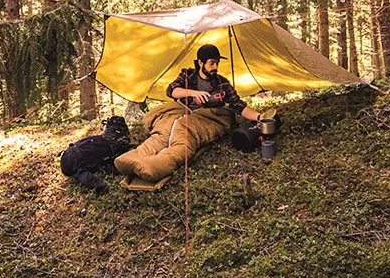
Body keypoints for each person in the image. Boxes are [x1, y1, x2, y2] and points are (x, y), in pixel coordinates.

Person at [114, 44, 262, 186]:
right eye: (211, 63)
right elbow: (171, 91)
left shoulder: (222, 84)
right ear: (200, 63)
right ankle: (133, 157)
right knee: (164, 131)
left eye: (216, 63)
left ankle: (155, 166)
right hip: (182, 111)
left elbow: (239, 107)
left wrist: (260, 118)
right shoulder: (188, 75)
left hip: (207, 118)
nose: (215, 67)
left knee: (183, 135)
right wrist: (192, 93)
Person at [60, 115, 132, 194]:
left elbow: (87, 178)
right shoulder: (73, 164)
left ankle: (117, 136)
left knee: (109, 145)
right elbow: (87, 177)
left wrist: (100, 187)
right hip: (88, 145)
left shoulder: (75, 167)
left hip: (90, 148)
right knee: (108, 144)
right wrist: (100, 187)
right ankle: (117, 135)